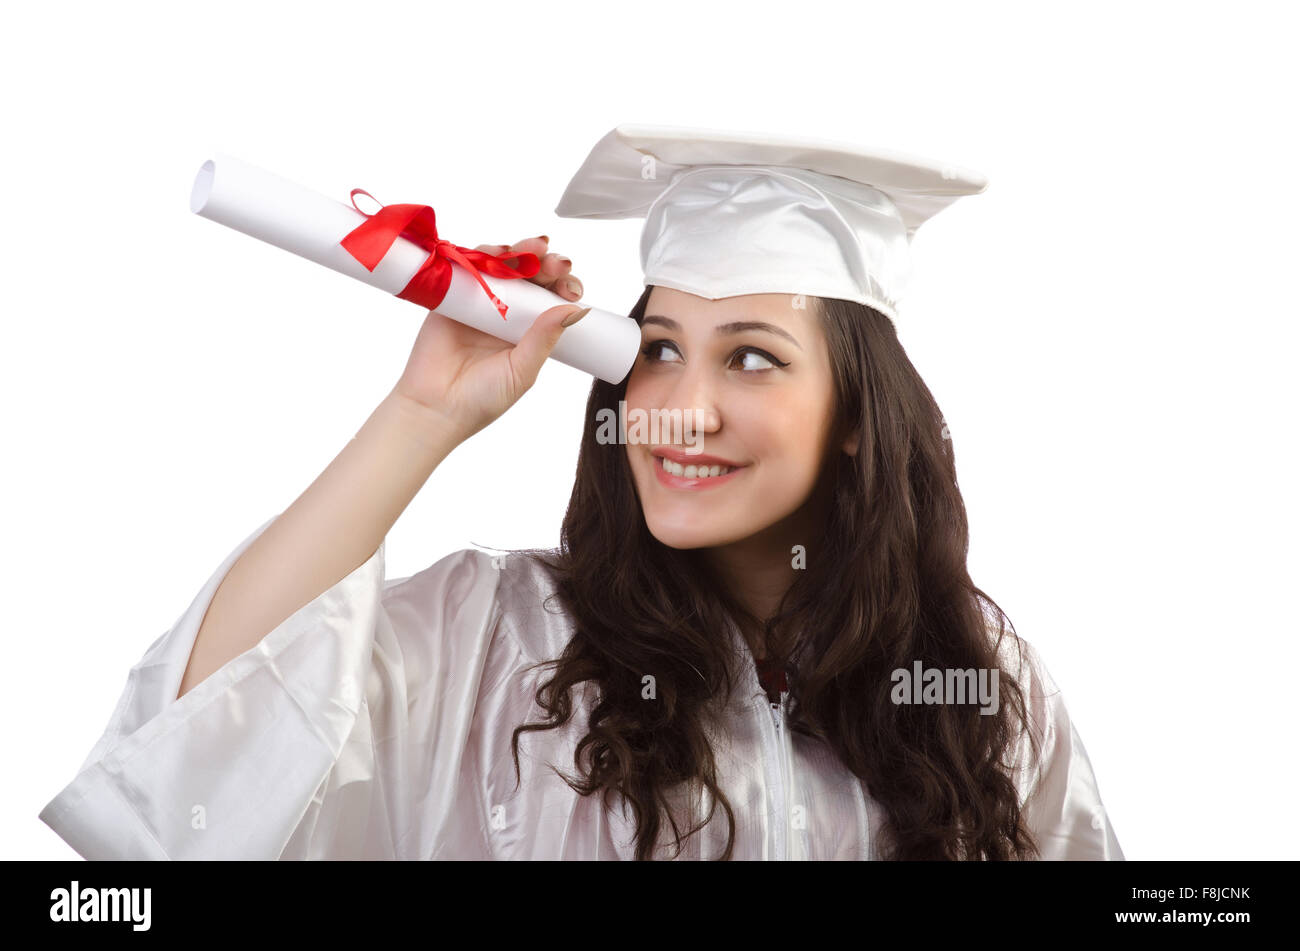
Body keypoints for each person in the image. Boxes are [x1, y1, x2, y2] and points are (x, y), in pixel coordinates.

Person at [39, 124, 1124, 860]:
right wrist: (423, 417)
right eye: (658, 348)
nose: (678, 407)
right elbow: (196, 762)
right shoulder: (495, 639)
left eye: (749, 357)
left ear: (854, 421)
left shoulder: (976, 676)